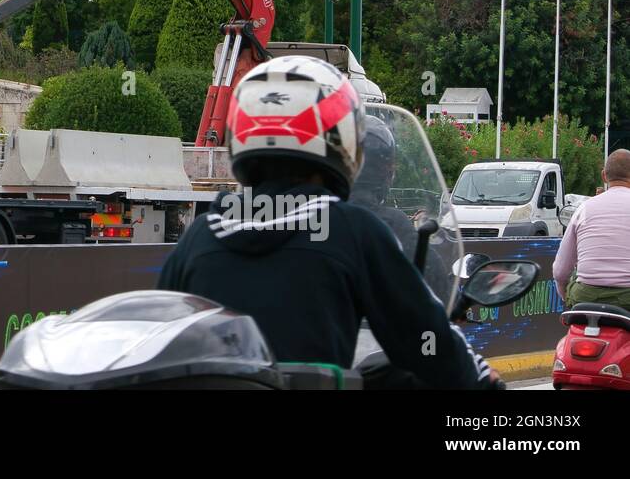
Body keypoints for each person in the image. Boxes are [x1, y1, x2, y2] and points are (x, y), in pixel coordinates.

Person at [158, 55, 497, 389]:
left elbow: (161, 338)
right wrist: (479, 378)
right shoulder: (354, 232)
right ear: (340, 139)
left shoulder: (200, 237)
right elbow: (424, 338)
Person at [553, 149, 630, 309]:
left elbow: (560, 271)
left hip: (586, 298)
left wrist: (565, 296)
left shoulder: (584, 208)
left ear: (604, 176)